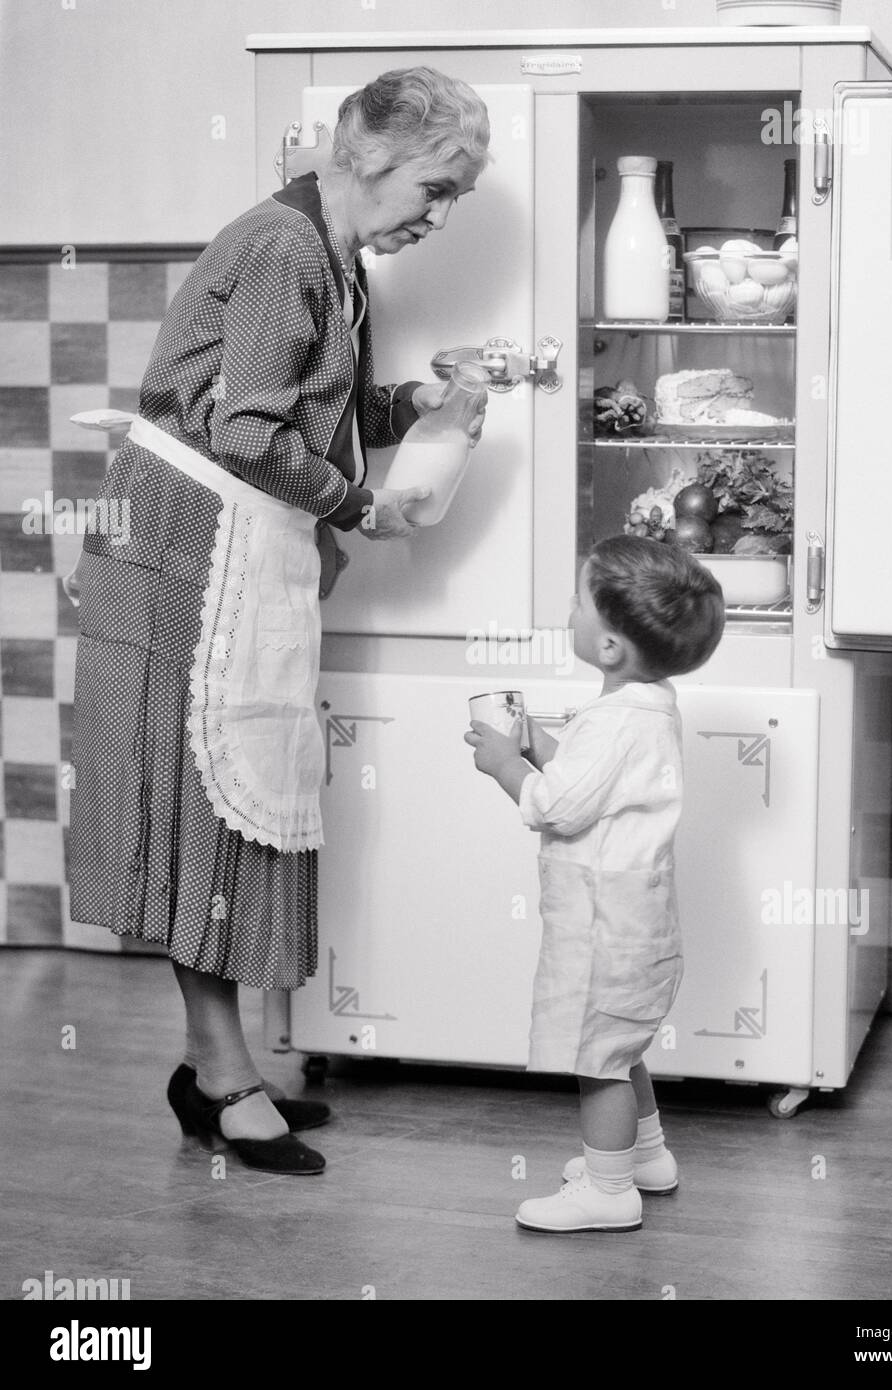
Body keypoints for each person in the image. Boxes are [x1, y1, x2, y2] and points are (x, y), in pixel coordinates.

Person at [66, 67, 491, 1176]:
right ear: (365, 156)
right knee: (203, 812)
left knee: (238, 806)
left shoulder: (335, 261)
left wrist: (425, 406)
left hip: (224, 548)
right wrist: (361, 504)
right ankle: (219, 1075)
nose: (437, 217)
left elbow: (318, 411)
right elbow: (251, 435)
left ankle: (224, 1067)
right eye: (435, 189)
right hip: (182, 552)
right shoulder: (284, 249)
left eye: (457, 200)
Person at [464, 535, 725, 1231]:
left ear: (609, 646)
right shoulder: (645, 705)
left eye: (576, 602)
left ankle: (608, 1193)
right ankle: (644, 1156)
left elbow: (557, 804)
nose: (567, 610)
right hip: (634, 920)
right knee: (621, 1043)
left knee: (597, 1057)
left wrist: (503, 766)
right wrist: (533, 746)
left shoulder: (616, 722)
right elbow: (588, 782)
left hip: (602, 926)